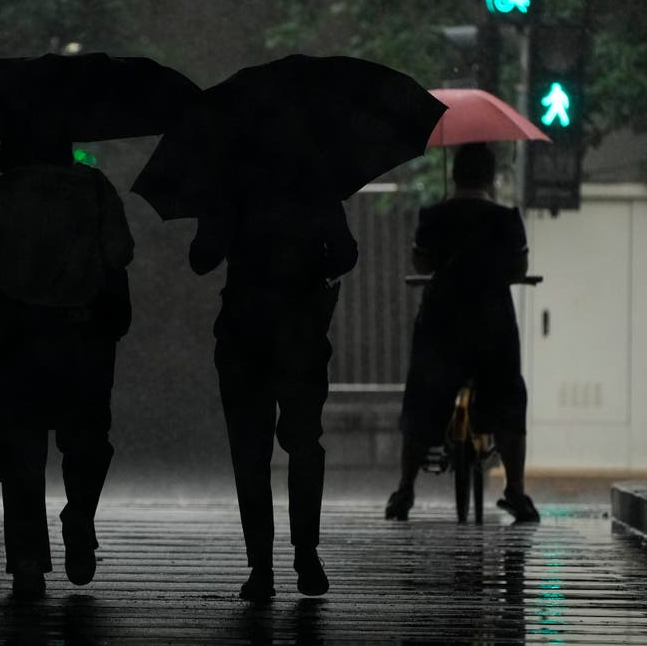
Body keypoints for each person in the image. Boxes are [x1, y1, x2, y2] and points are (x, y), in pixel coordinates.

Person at [0, 136, 133, 600]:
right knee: (86, 440)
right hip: (85, 335)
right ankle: (79, 515)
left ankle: (27, 562)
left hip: (20, 335)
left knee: (21, 450)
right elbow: (120, 252)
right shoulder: (95, 188)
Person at [189, 180, 357, 602]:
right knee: (304, 442)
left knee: (250, 451)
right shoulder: (315, 186)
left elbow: (200, 258)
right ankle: (306, 553)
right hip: (301, 330)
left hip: (243, 331)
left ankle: (261, 566)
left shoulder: (229, 187)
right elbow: (345, 253)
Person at [385, 142, 538, 523]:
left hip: (442, 323)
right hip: (492, 324)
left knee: (422, 396)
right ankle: (516, 493)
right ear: (489, 176)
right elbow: (518, 269)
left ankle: (405, 490)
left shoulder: (434, 216)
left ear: (454, 174)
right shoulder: (505, 218)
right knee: (508, 396)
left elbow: (421, 261)